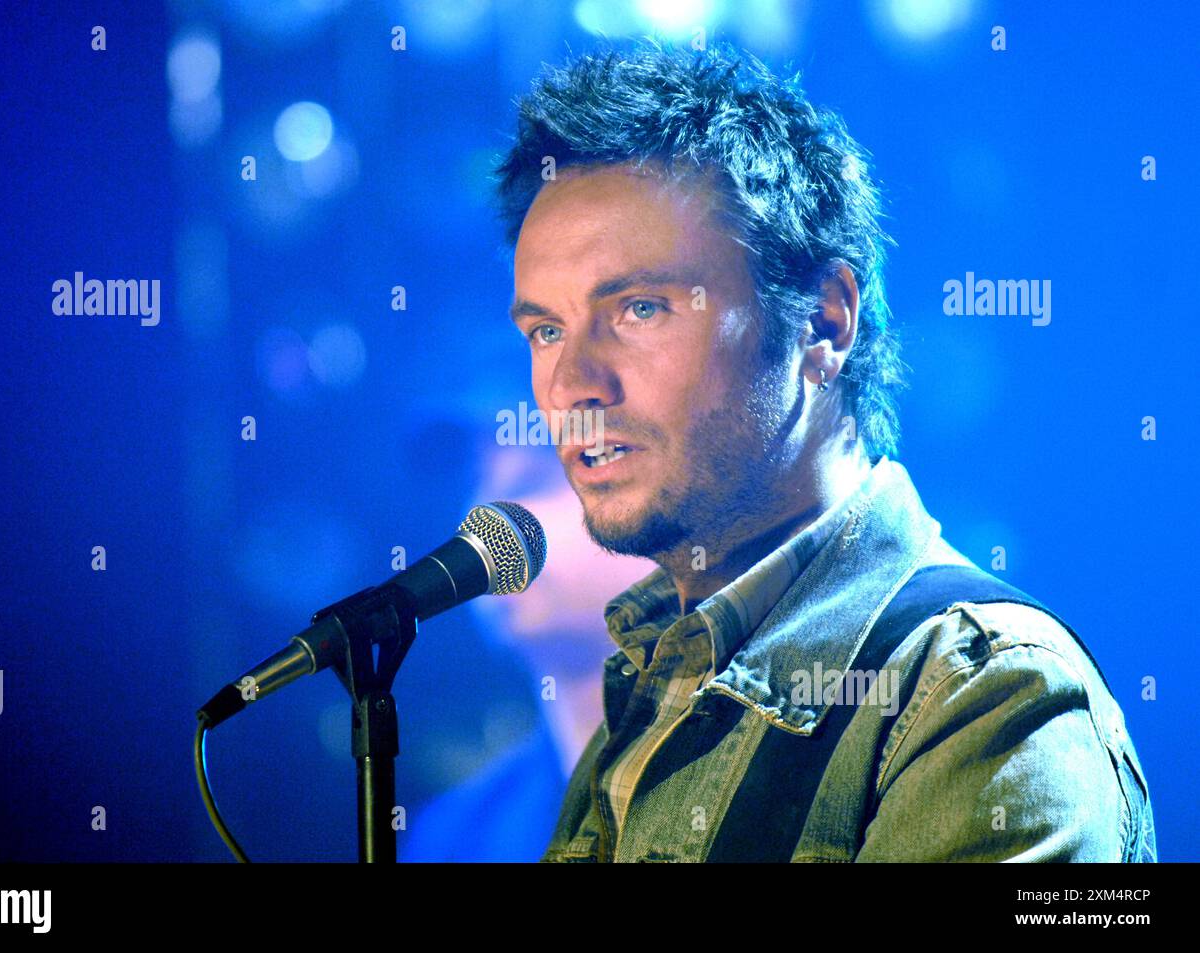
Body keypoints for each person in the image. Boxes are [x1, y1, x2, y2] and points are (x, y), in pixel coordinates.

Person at [492, 40, 1156, 862]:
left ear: (823, 321)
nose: (571, 385)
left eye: (639, 309)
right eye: (546, 329)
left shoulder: (986, 695)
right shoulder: (650, 688)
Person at [399, 443, 651, 862]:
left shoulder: (769, 768)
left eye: (531, 481)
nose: (483, 527)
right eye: (475, 493)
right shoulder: (451, 839)